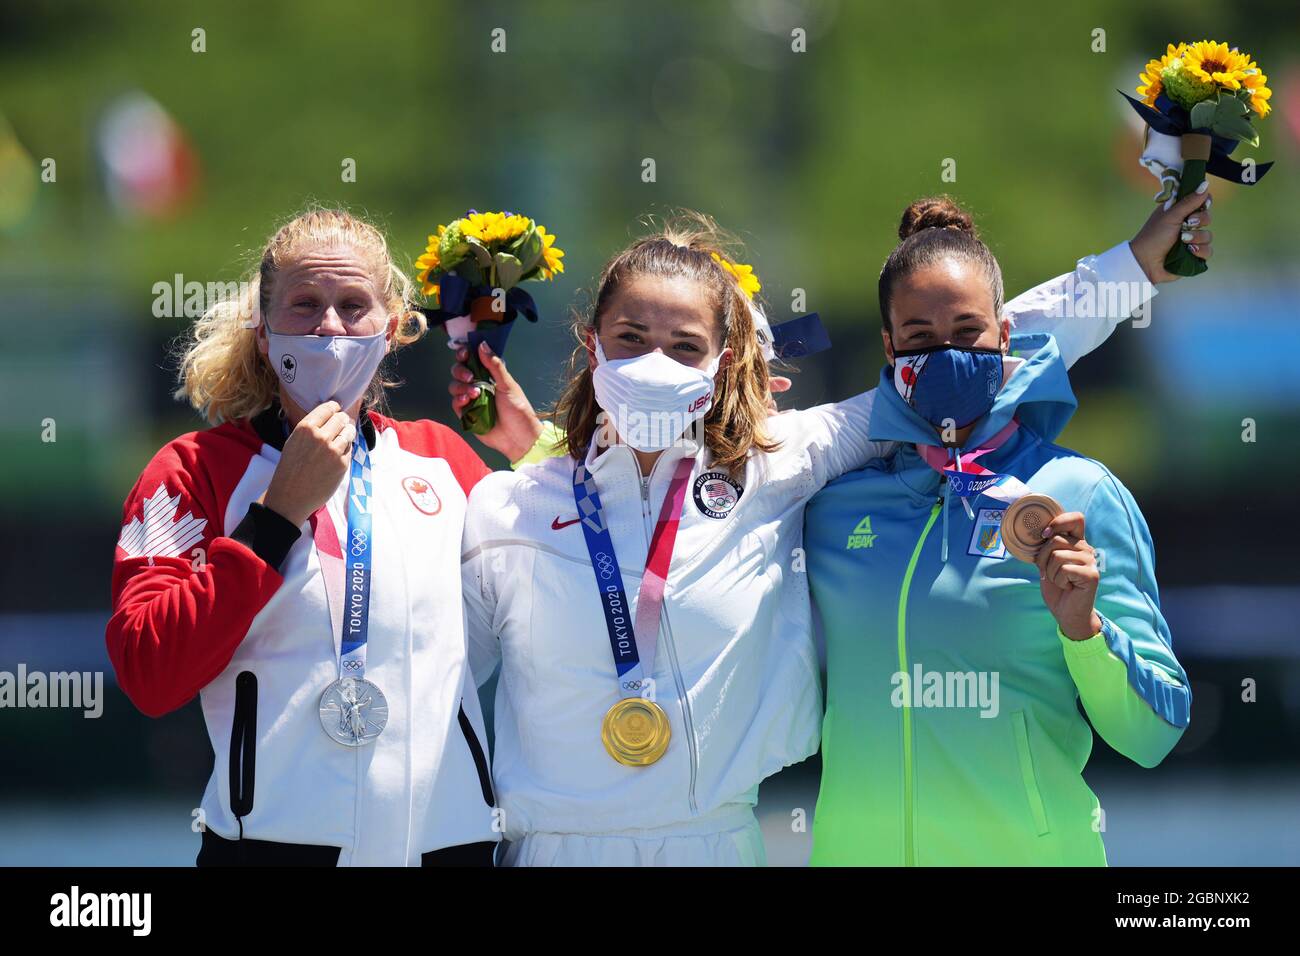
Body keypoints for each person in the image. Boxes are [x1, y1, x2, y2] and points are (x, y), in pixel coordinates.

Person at [455, 195, 1208, 866]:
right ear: (592, 344)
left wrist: (1133, 268)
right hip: (549, 846)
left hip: (720, 842)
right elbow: (437, 703)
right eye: (630, 337)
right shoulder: (511, 506)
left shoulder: (779, 468)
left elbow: (989, 336)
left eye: (684, 345)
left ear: (722, 362)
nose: (655, 363)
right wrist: (546, 450)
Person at [106, 208, 524, 866]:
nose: (329, 326)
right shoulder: (190, 472)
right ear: (264, 331)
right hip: (272, 851)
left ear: (389, 330)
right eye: (304, 305)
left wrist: (534, 458)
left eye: (353, 305)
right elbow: (150, 673)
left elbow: (563, 596)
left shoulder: (444, 461)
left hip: (449, 848)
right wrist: (274, 518)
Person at [804, 197, 1192, 865]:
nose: (945, 354)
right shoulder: (834, 508)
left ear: (1006, 335)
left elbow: (1155, 732)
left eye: (966, 332)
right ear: (889, 349)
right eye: (920, 339)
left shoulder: (1078, 494)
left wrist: (1087, 633)